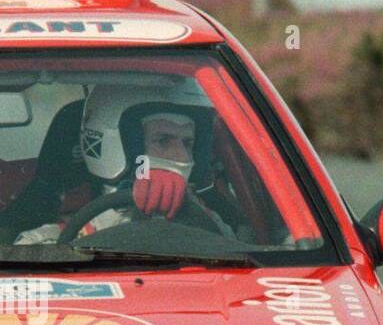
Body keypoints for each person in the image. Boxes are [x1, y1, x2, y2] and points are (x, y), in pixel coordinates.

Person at [15, 84, 232, 244]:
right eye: (163, 141)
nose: (182, 157)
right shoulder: (46, 241)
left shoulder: (213, 225)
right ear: (116, 144)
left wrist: (193, 209)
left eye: (188, 143)